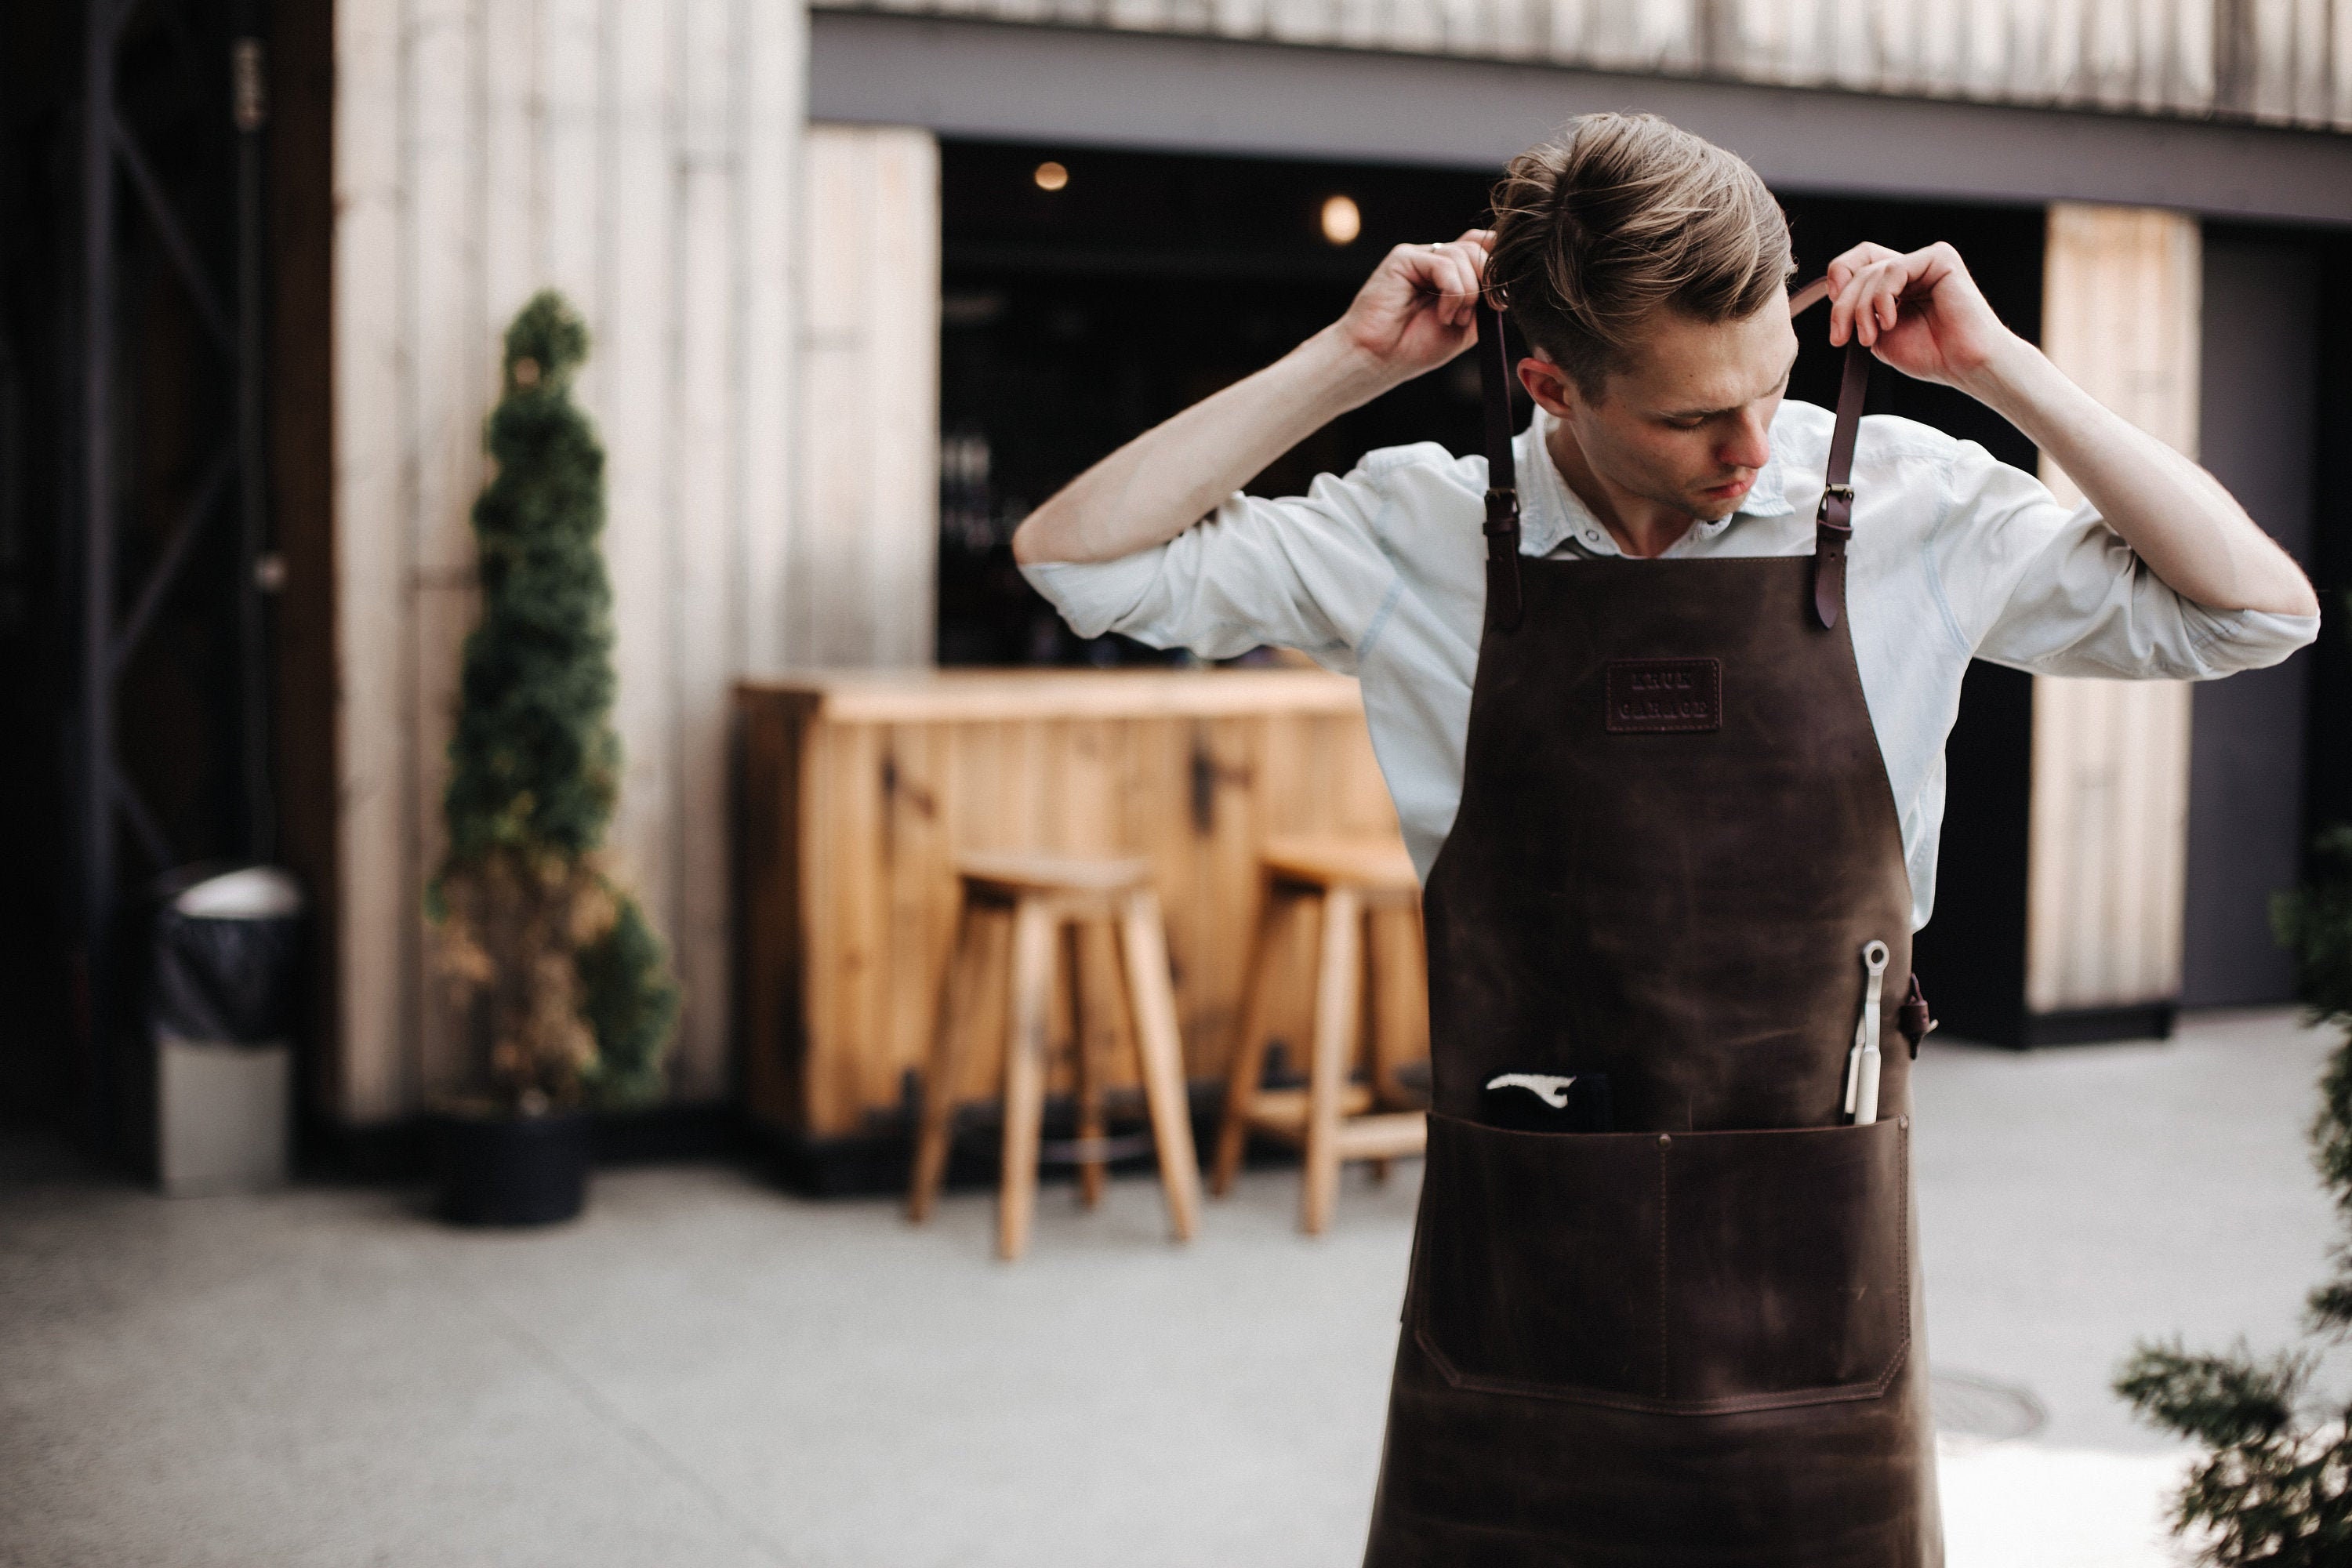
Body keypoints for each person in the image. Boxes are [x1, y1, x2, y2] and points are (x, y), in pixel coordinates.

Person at [1012, 114, 2318, 1566]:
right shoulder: (1422, 536)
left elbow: (2254, 611)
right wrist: (1351, 363)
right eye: (1697, 416)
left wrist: (2003, 371)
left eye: (1772, 385)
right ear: (1551, 384)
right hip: (1519, 1287)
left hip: (1819, 1291)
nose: (1752, 450)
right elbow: (1081, 562)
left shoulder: (1906, 505)